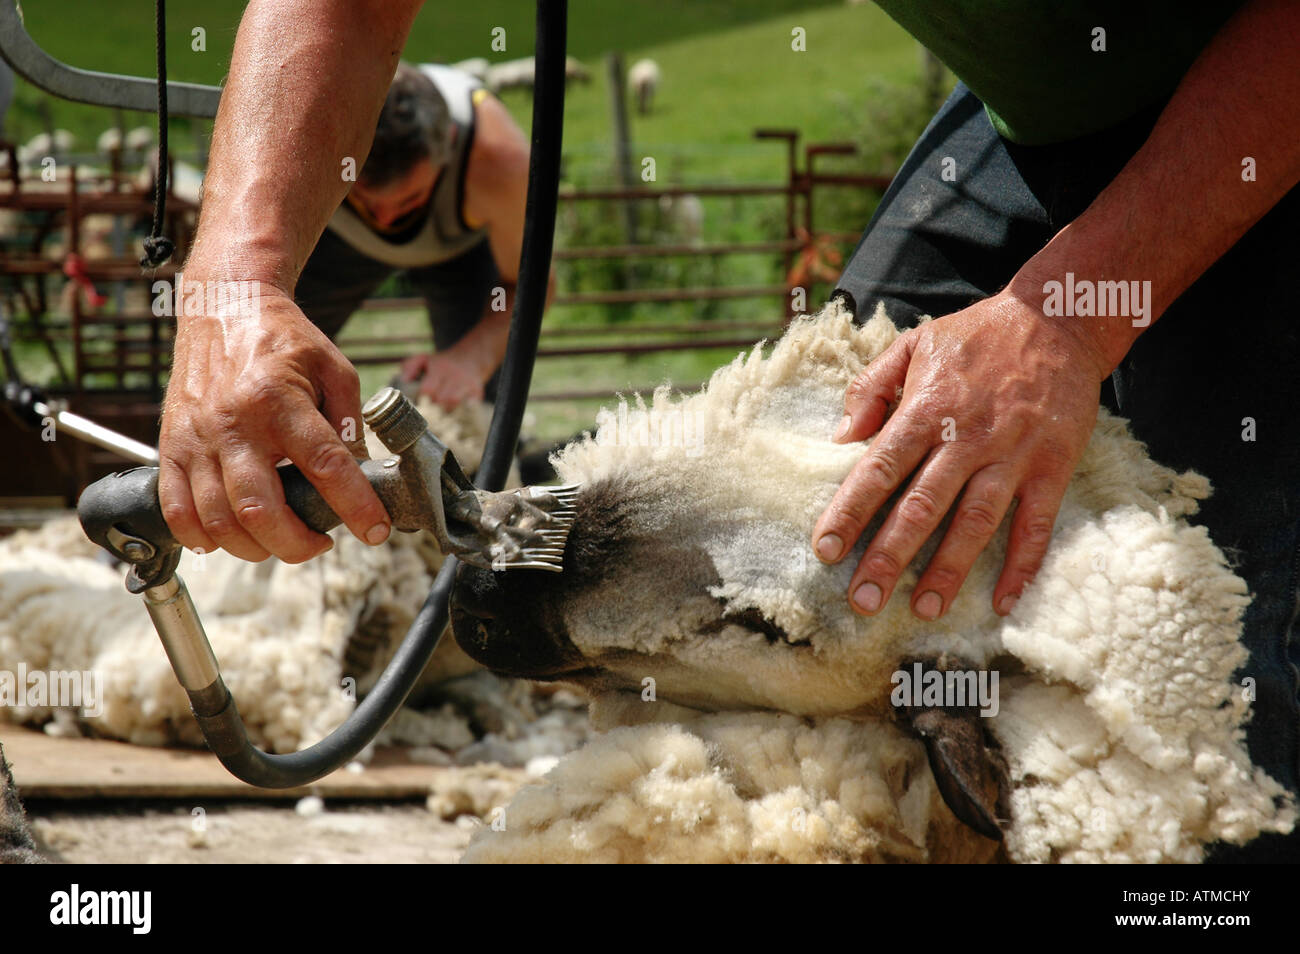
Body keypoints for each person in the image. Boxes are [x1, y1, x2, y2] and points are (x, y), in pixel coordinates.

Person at [159, 0, 1296, 858]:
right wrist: (234, 280)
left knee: (1194, 734)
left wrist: (1062, 318)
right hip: (1042, 110)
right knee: (856, 518)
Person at [808, 0, 1299, 860]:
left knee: (1196, 677)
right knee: (846, 475)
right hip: (1039, 105)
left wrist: (1064, 325)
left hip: (1258, 87)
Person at [296, 61, 543, 411]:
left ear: (451, 144)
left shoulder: (498, 160)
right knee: (273, 372)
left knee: (475, 407)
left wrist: (472, 358)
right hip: (332, 241)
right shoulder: (302, 144)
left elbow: (531, 284)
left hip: (459, 252)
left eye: (409, 199)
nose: (385, 219)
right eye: (364, 199)